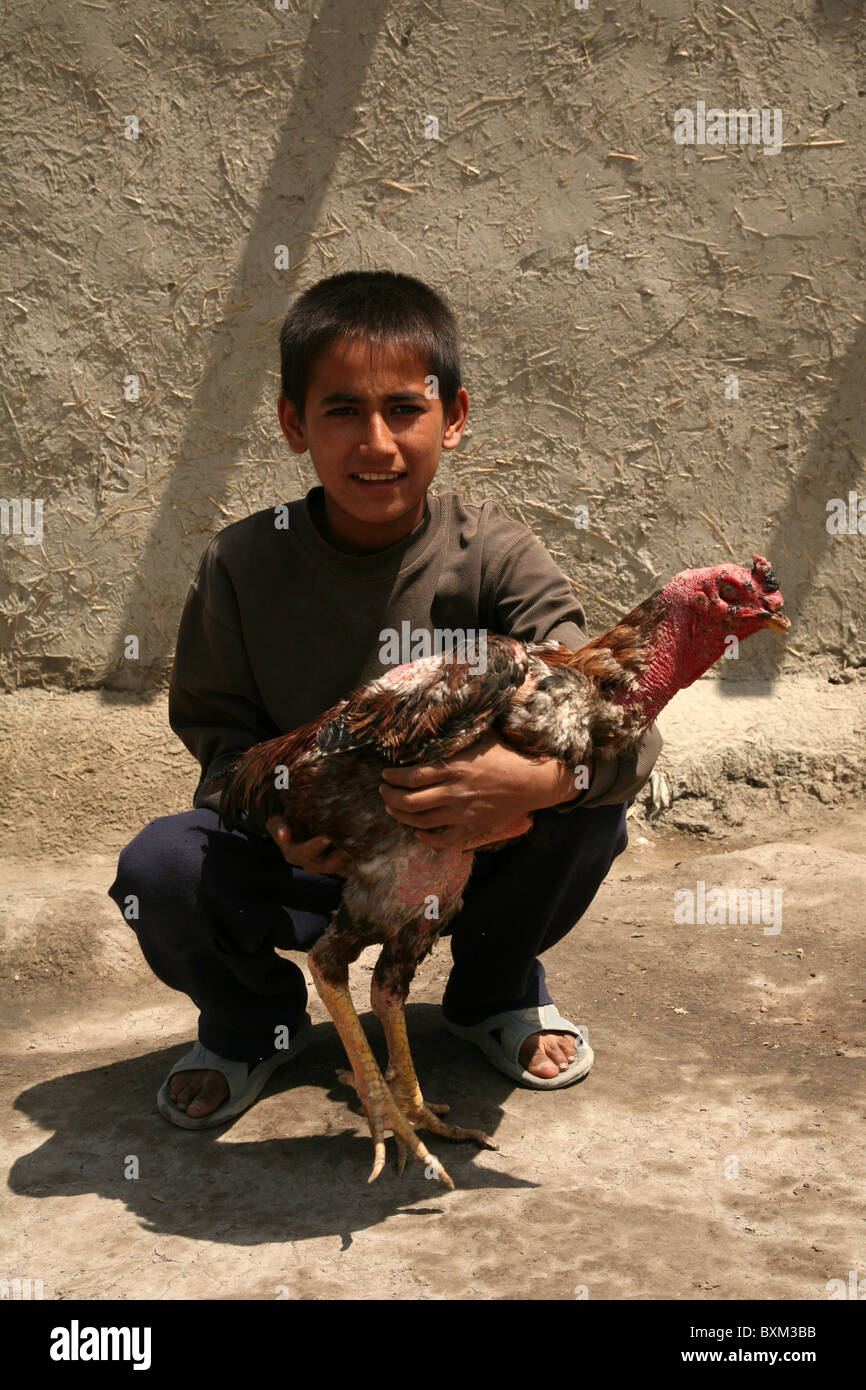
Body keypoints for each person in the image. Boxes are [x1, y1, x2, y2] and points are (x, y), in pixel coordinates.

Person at [108, 269, 662, 1129]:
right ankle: (252, 1025)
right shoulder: (242, 565)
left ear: (456, 416)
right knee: (164, 869)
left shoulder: (498, 556)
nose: (377, 442)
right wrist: (287, 824)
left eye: (405, 409)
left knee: (589, 808)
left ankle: (493, 993)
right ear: (295, 424)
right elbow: (222, 748)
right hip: (318, 859)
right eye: (341, 411)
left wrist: (536, 787)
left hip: (467, 858)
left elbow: (614, 724)